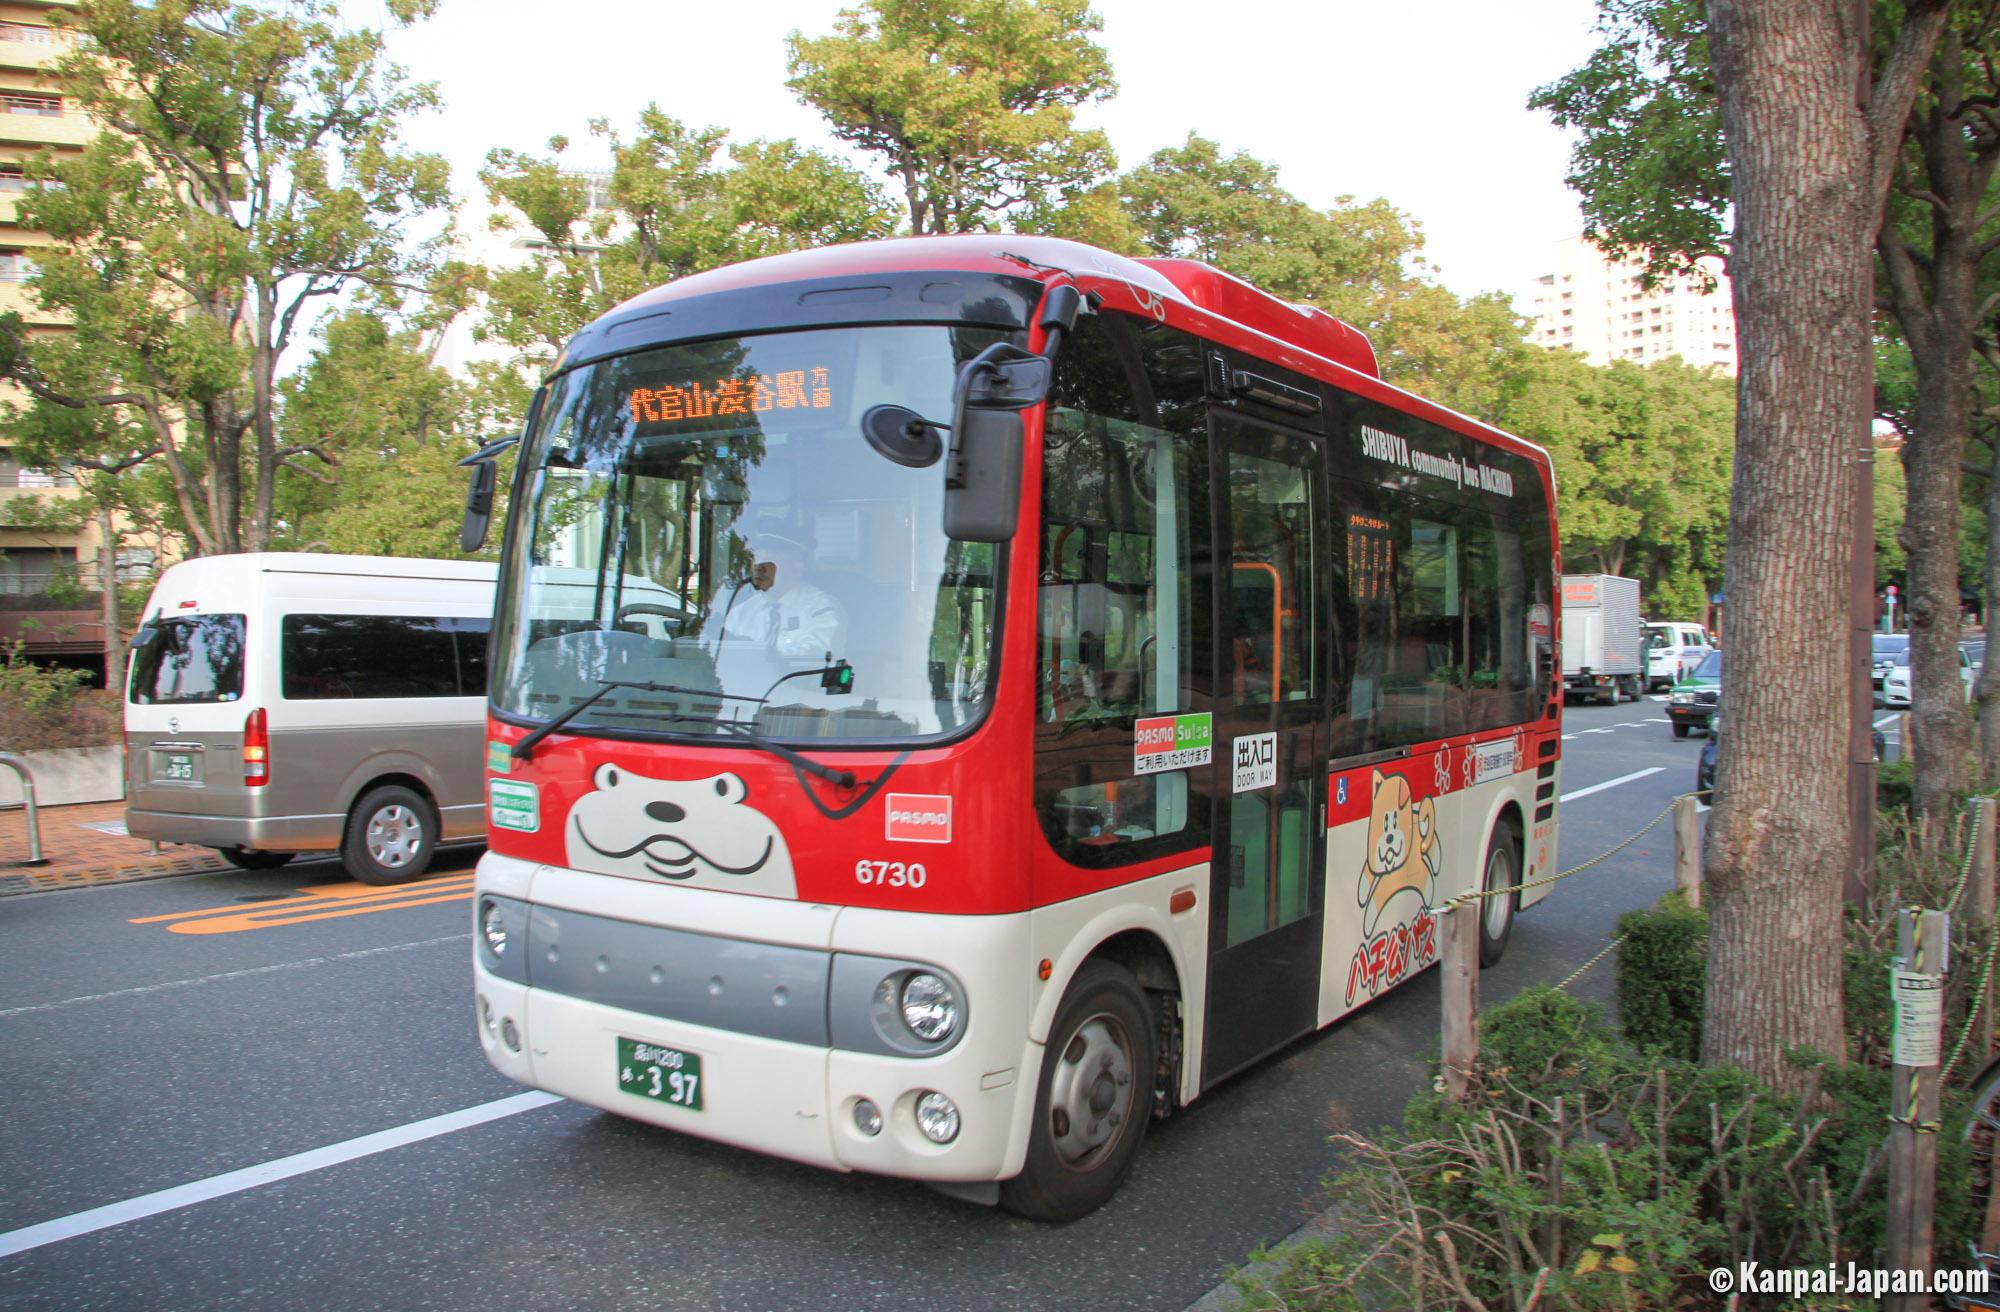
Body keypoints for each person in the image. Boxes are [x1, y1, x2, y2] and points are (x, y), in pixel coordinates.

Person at [718, 531, 846, 663]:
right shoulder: (742, 612)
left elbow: (818, 654)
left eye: (768, 560)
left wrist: (762, 653)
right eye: (757, 559)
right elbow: (721, 657)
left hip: (799, 683)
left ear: (796, 566)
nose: (757, 568)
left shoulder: (821, 606)